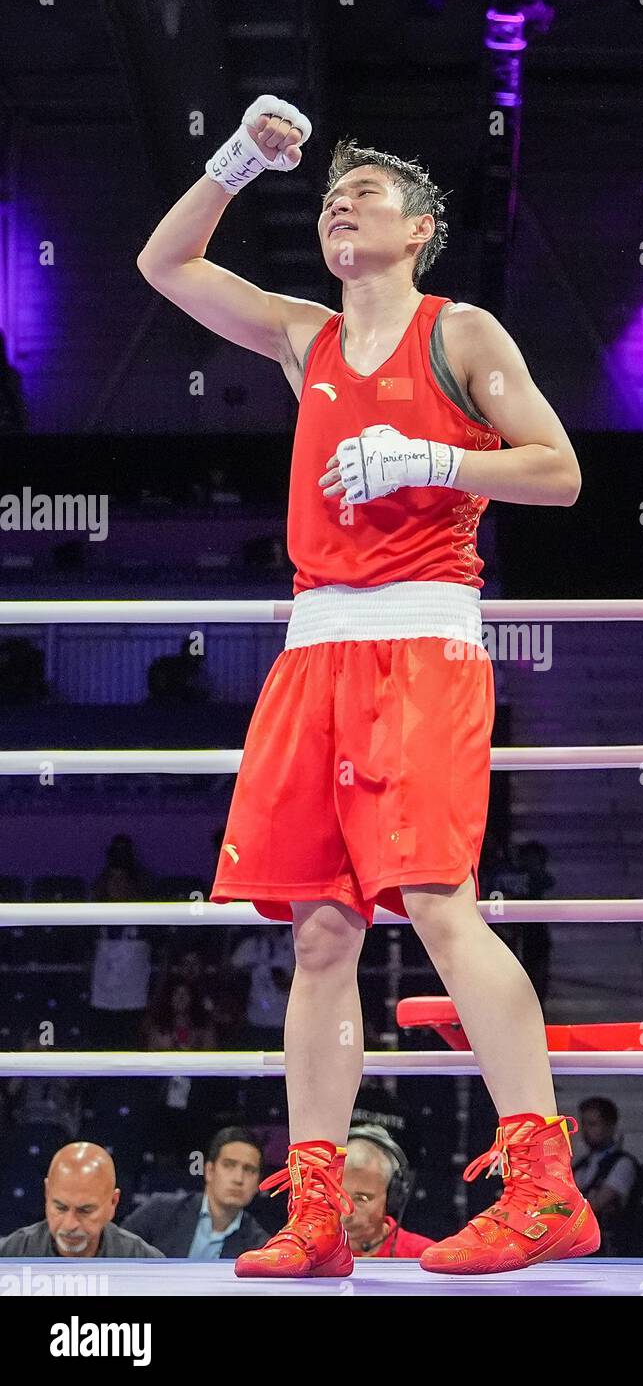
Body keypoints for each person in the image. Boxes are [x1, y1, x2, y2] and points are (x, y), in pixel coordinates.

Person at [137, 95, 593, 1278]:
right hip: (314, 650)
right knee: (323, 934)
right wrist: (240, 159)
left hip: (424, 645)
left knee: (440, 903)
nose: (343, 208)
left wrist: (437, 457)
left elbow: (561, 472)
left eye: (369, 196)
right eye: (333, 198)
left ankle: (546, 1187)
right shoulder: (303, 335)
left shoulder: (464, 334)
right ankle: (319, 1216)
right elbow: (167, 261)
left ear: (421, 227)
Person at [121, 1127, 267, 1260]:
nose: (238, 1178)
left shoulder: (260, 1248)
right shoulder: (159, 1212)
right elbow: (115, 1251)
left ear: (258, 1184)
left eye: (249, 1170)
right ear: (209, 1171)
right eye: (229, 1165)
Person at [0, 1143, 162, 1258]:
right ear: (47, 1193)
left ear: (113, 1202)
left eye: (85, 1210)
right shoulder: (9, 1256)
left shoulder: (144, 1265)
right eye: (61, 1208)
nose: (70, 1225)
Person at [341, 1126, 433, 1259]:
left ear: (392, 1197)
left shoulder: (424, 1256)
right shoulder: (308, 1254)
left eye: (362, 1198)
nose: (345, 1215)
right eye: (339, 1195)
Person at [571, 1098, 637, 1256]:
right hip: (583, 1250)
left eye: (593, 1124)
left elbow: (596, 1205)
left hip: (611, 1251)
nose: (587, 1130)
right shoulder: (582, 1165)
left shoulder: (623, 1164)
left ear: (610, 1126)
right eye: (584, 1124)